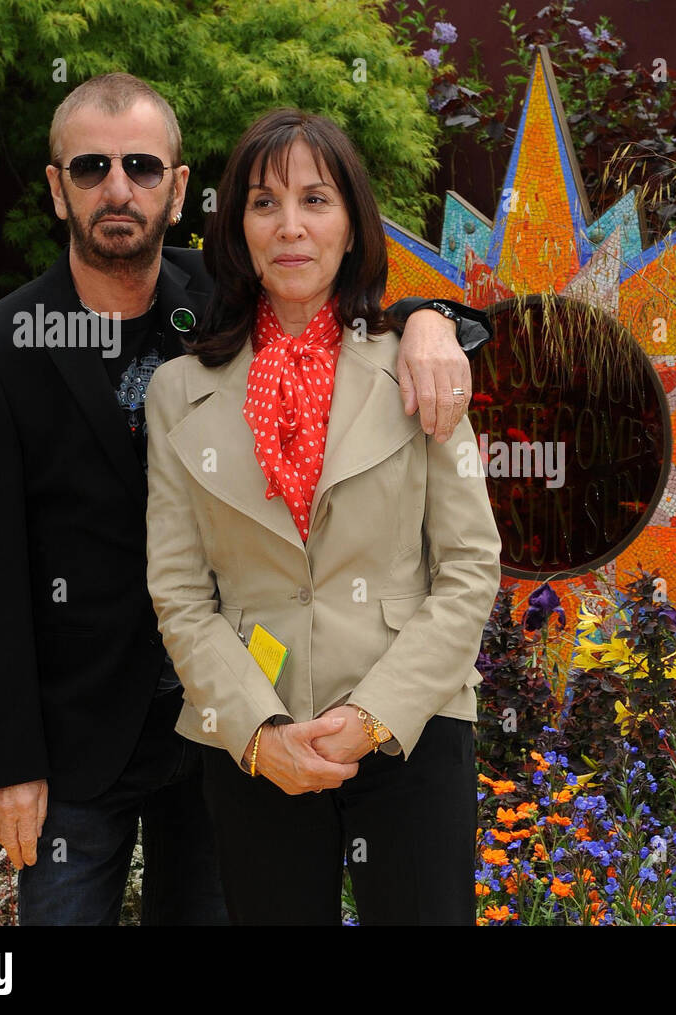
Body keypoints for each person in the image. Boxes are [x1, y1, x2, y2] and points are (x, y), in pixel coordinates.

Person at [0, 73, 491, 926]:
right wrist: (6, 760)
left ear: (179, 188)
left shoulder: (219, 298)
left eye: (142, 167)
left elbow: (341, 304)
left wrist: (435, 321)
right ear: (58, 188)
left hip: (219, 736)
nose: (118, 188)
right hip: (88, 736)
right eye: (90, 167)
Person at [144, 107, 502, 926]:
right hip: (256, 737)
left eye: (317, 199)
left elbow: (469, 565)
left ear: (352, 225)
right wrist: (257, 730)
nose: (291, 226)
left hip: (411, 725)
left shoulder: (423, 364)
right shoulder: (179, 394)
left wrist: (375, 713)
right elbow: (179, 592)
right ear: (237, 229)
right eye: (265, 203)